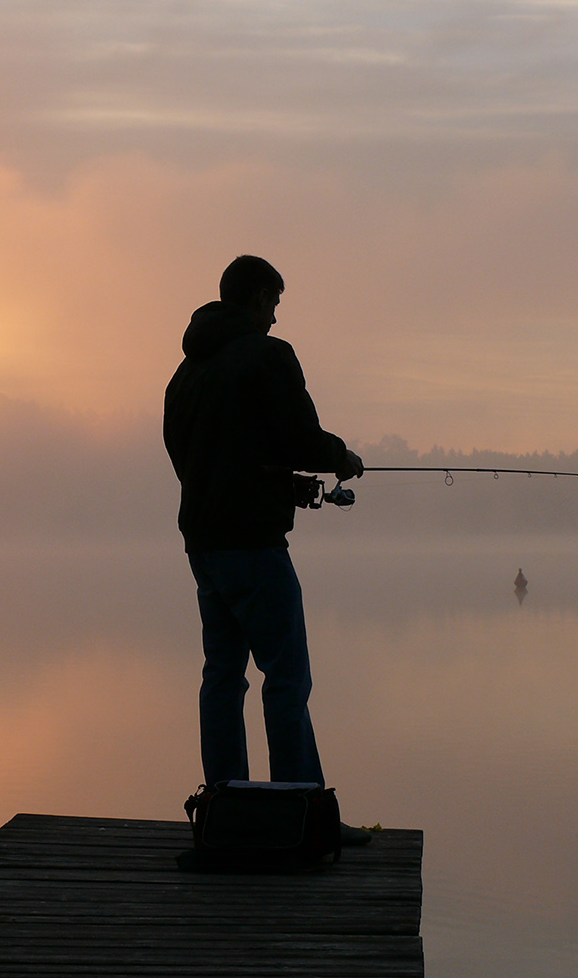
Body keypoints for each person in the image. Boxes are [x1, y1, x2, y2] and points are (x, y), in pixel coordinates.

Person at [164, 255, 362, 787]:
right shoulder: (267, 356)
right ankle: (298, 804)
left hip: (204, 547)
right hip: (254, 546)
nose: (275, 317)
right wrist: (340, 456)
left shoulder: (184, 375)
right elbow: (299, 435)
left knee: (223, 678)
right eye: (273, 303)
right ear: (256, 298)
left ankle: (229, 803)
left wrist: (278, 485)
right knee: (287, 678)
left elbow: (206, 456)